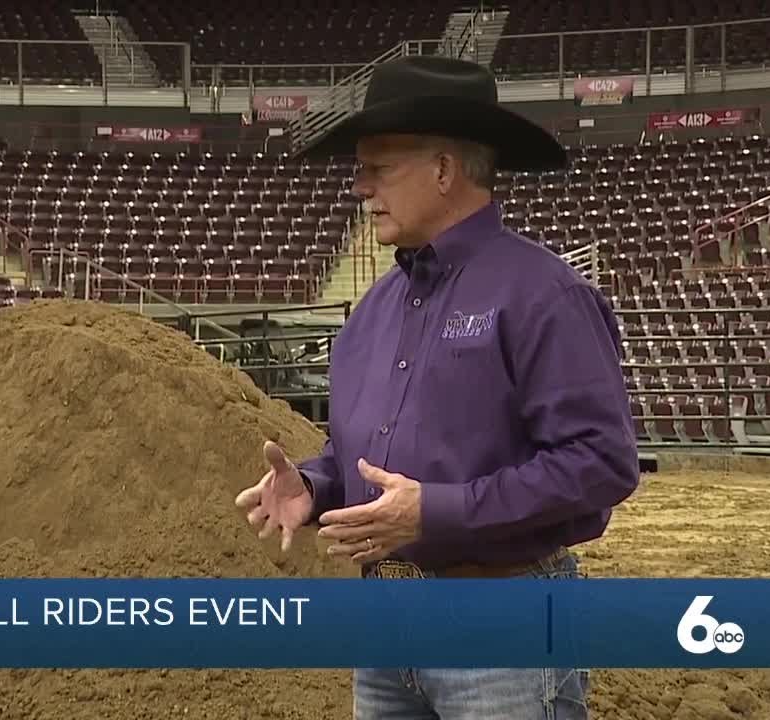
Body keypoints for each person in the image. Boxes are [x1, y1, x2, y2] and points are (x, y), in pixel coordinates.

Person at [234, 56, 639, 719]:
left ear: (445, 169)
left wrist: (436, 512)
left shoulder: (544, 295)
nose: (359, 187)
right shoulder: (371, 312)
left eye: (377, 167)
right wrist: (315, 487)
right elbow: (358, 456)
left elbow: (601, 463)